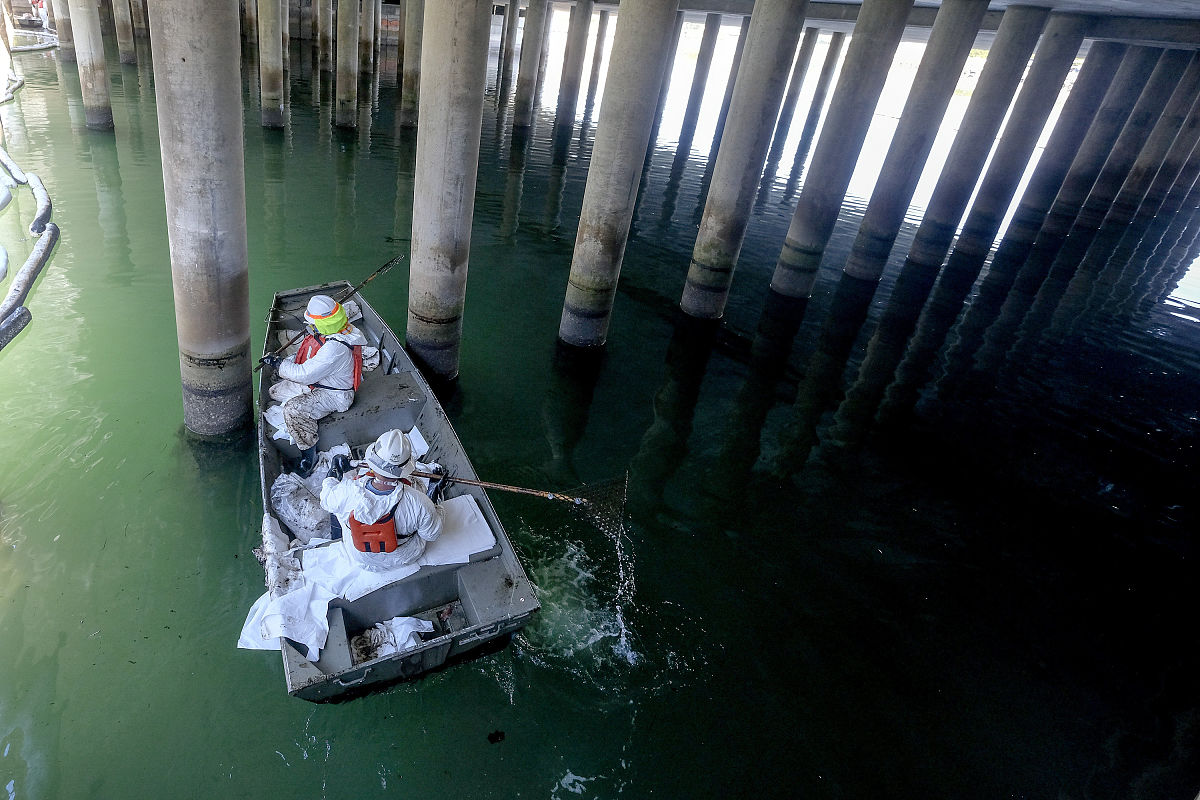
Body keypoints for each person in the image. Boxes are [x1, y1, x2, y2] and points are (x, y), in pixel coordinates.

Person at [262, 295, 368, 475]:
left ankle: (308, 458)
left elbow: (304, 374)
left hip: (335, 395)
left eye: (314, 323)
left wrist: (278, 363)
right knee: (274, 391)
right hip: (325, 382)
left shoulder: (334, 349)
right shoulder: (346, 330)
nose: (311, 327)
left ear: (325, 324)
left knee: (292, 410)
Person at [319, 430, 445, 570]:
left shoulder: (346, 491)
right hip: (402, 558)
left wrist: (332, 474)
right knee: (430, 513)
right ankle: (435, 495)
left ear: (372, 460)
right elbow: (431, 535)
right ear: (405, 468)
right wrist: (436, 509)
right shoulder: (419, 502)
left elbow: (325, 499)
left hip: (361, 559)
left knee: (338, 509)